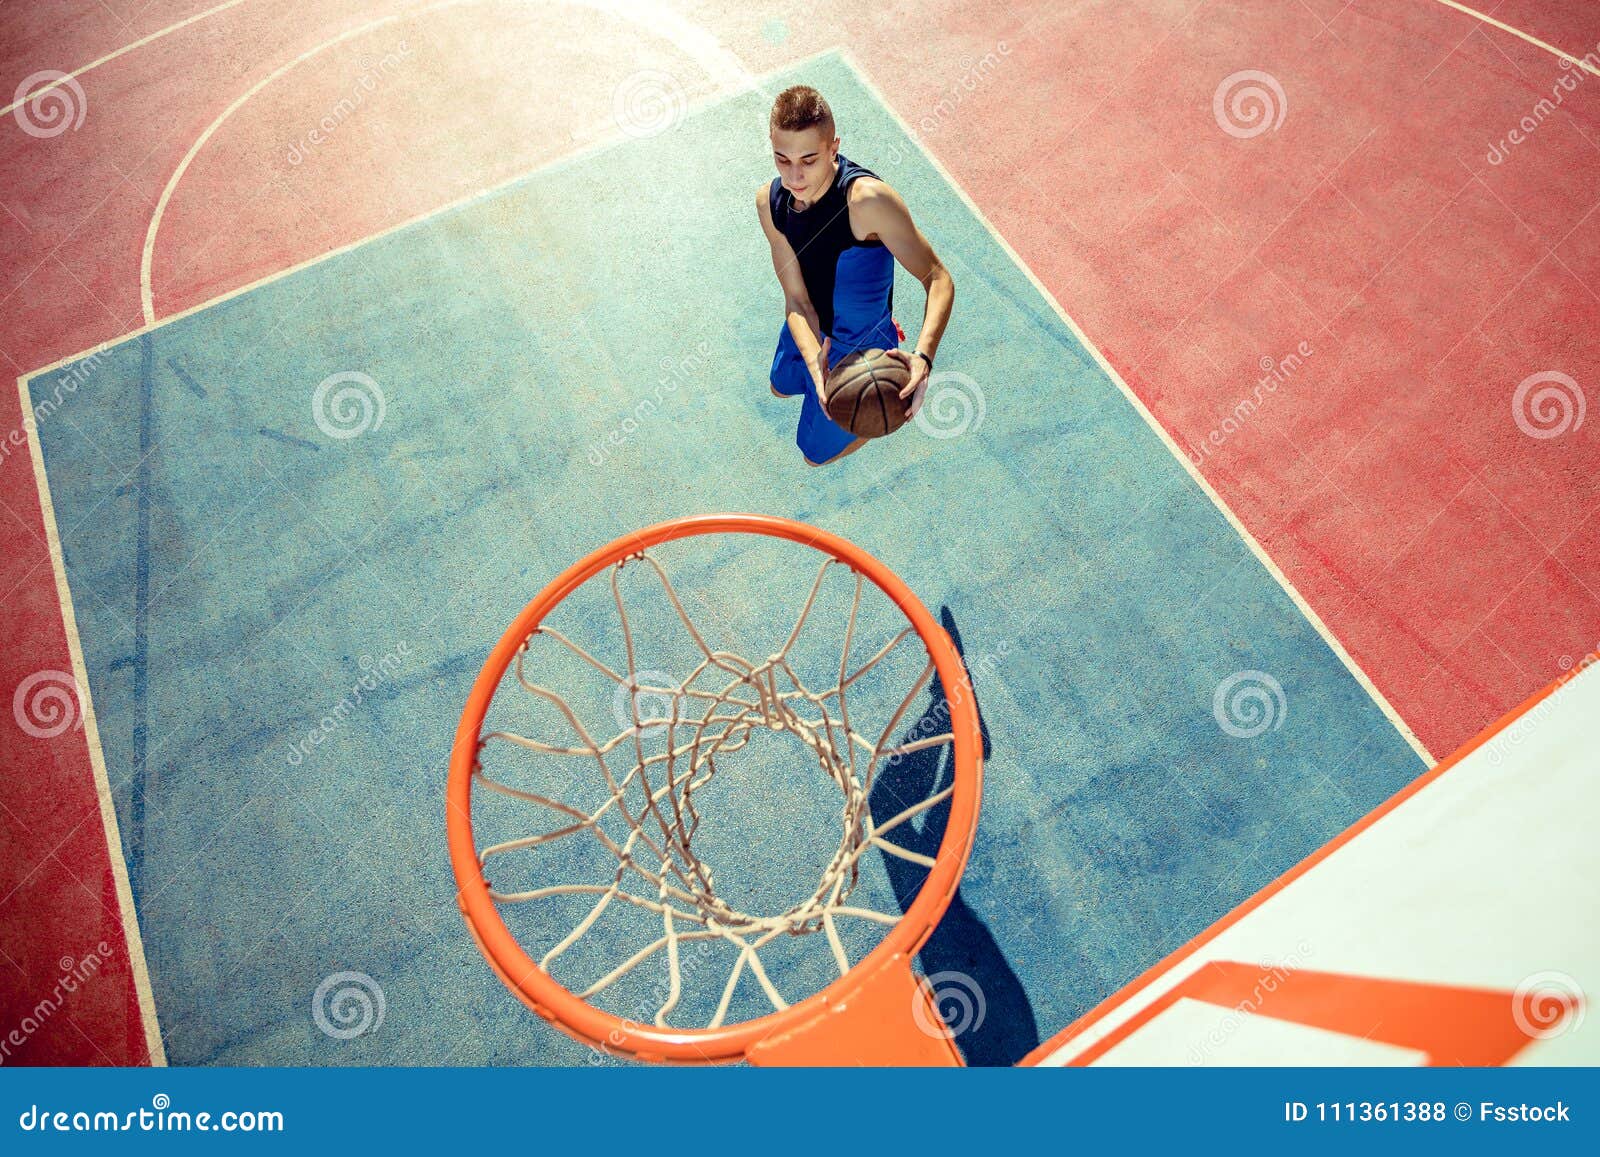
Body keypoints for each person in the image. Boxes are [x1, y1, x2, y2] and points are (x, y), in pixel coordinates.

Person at [757, 85, 955, 465]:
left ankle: (879, 414)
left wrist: (924, 358)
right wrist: (815, 362)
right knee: (779, 387)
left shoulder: (867, 202)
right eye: (782, 159)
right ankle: (823, 382)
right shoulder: (770, 202)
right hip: (810, 325)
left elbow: (938, 278)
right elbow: (796, 299)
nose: (794, 176)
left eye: (809, 160)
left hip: (859, 344)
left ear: (834, 147)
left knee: (814, 457)